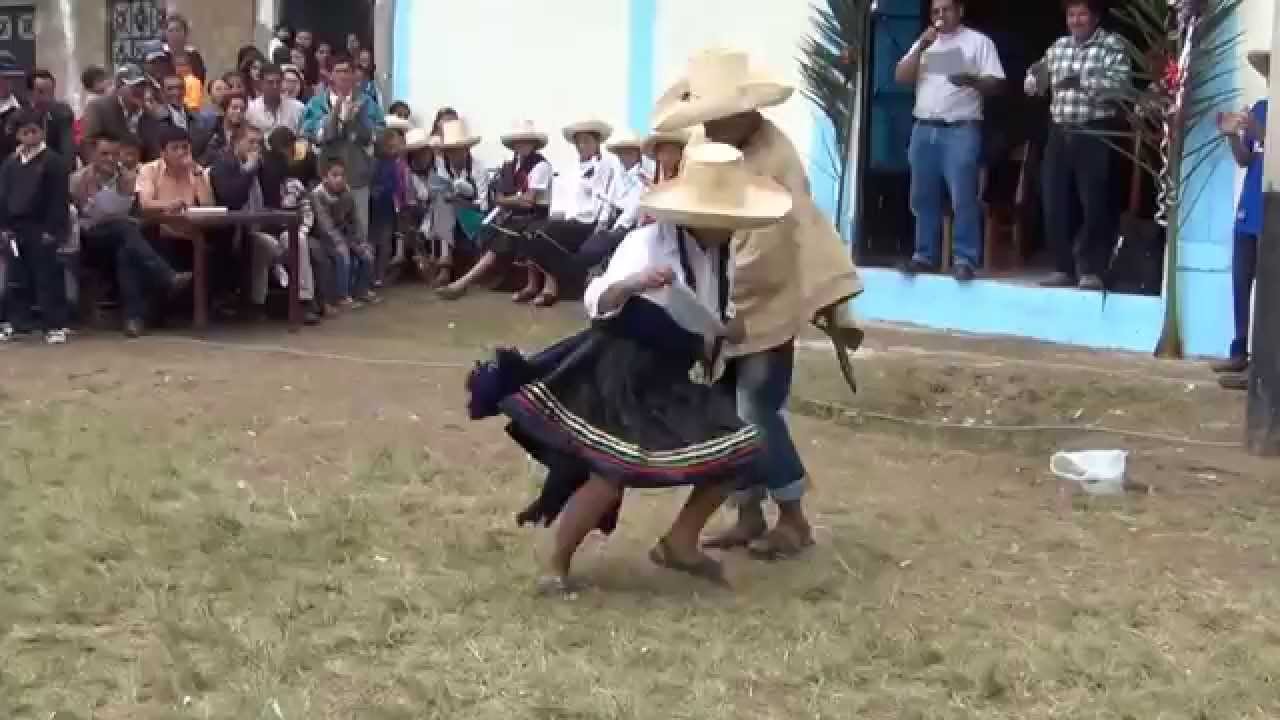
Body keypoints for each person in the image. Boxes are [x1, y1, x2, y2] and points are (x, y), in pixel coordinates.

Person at [466, 142, 788, 591]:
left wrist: (729, 329)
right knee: (612, 470)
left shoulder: (719, 257)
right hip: (619, 369)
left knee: (741, 446)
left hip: (671, 376)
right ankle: (556, 565)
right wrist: (634, 284)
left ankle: (680, 542)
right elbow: (598, 301)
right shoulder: (647, 241)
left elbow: (715, 316)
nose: (727, 226)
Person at [654, 47, 864, 559]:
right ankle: (747, 515)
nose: (710, 126)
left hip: (766, 306)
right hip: (719, 303)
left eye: (718, 116)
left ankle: (793, 519)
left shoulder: (777, 156)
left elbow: (771, 242)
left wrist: (721, 300)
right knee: (725, 411)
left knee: (755, 409)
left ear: (745, 110)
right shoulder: (703, 144)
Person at [894, 0, 1005, 280]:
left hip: (960, 129)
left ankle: (964, 259)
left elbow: (997, 84)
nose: (941, 16)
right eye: (935, 11)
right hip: (924, 127)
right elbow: (901, 77)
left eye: (946, 10)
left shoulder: (978, 43)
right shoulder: (924, 44)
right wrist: (920, 46)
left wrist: (971, 81)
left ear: (960, 11)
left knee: (962, 197)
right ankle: (924, 256)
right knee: (922, 197)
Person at [1025, 0, 1130, 290]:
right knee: (1054, 200)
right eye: (1071, 15)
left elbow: (1122, 86)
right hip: (1059, 131)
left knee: (1093, 202)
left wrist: (1083, 81)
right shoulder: (1058, 47)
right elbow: (1036, 79)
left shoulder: (1112, 46)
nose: (1076, 20)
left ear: (1095, 17)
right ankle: (1062, 268)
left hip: (1094, 130)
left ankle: (1091, 270)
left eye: (1082, 14)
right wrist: (1034, 80)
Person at [72, 134, 192, 337]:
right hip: (91, 239)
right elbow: (74, 217)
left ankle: (133, 320)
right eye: (104, 154)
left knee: (126, 250)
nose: (110, 159)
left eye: (115, 154)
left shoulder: (128, 178)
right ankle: (167, 276)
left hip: (124, 237)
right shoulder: (78, 180)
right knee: (124, 229)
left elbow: (139, 214)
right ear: (92, 154)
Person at [436, 119, 553, 300]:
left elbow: (529, 201)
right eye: (518, 141)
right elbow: (500, 198)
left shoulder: (541, 165)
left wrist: (507, 200)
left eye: (526, 141)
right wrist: (512, 200)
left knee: (520, 236)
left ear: (534, 144)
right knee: (496, 243)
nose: (521, 145)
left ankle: (462, 284)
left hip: (536, 216)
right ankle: (461, 284)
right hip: (515, 217)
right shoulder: (511, 165)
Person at [523, 129, 651, 284]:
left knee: (587, 252)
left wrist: (615, 228)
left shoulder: (643, 178)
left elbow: (633, 209)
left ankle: (571, 279)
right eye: (621, 152)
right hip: (607, 222)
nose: (624, 156)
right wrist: (603, 223)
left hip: (627, 225)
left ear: (638, 154)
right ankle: (567, 278)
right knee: (540, 237)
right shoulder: (617, 173)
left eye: (629, 152)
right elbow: (608, 201)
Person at [515, 118, 619, 306]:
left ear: (597, 143)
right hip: (568, 220)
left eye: (587, 140)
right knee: (530, 233)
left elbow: (607, 199)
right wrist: (554, 218)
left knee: (546, 234)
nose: (581, 145)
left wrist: (602, 224)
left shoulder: (607, 166)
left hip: (589, 221)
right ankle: (544, 284)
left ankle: (551, 286)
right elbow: (560, 199)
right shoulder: (569, 169)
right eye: (579, 141)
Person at [1212, 49, 1269, 391]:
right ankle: (1239, 351)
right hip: (1248, 210)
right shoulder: (1260, 107)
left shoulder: (1264, 117)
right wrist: (1232, 135)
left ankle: (1261, 365)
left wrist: (1260, 131)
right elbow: (1246, 160)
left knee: (1268, 292)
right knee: (1240, 283)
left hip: (1272, 214)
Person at [0, 109, 72, 345]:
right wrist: (4, 226)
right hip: (15, 227)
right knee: (16, 275)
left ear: (42, 131)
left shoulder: (53, 162)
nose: (30, 136)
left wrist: (53, 231)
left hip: (42, 226)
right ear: (17, 135)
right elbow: (3, 196)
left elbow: (58, 199)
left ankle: (56, 324)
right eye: (25, 132)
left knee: (47, 276)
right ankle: (18, 323)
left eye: (35, 131)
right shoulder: (11, 163)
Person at [301, 55, 384, 246]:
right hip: (327, 181)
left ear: (354, 75)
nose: (343, 76)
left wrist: (358, 123)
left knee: (360, 235)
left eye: (347, 71)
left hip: (357, 178)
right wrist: (335, 113)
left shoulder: (367, 103)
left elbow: (379, 135)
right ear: (330, 75)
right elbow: (311, 133)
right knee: (330, 237)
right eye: (338, 71)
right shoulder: (316, 103)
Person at [423, 117, 486, 287]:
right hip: (451, 214)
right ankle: (445, 263)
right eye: (450, 151)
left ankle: (445, 265)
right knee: (442, 204)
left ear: (466, 150)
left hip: (474, 216)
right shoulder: (445, 166)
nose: (453, 155)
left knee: (445, 205)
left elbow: (483, 206)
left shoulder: (478, 169)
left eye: (457, 150)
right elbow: (442, 191)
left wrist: (458, 201)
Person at [311, 158, 378, 309]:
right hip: (323, 237)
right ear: (325, 177)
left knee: (367, 253)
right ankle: (342, 297)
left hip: (344, 233)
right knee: (343, 254)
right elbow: (325, 226)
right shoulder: (317, 195)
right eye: (334, 175)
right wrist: (341, 243)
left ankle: (361, 290)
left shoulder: (346, 192)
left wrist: (360, 240)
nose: (339, 179)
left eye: (342, 175)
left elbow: (355, 219)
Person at [81, 65, 150, 161]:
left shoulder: (148, 112)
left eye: (143, 85)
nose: (140, 90)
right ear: (119, 87)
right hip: (109, 169)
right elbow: (88, 145)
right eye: (134, 86)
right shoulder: (99, 107)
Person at [370, 126, 409, 286]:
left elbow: (398, 187)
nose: (395, 149)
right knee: (374, 242)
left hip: (388, 208)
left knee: (385, 242)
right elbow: (374, 185)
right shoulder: (376, 163)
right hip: (376, 208)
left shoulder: (395, 164)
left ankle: (379, 275)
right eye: (392, 146)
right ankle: (372, 275)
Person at [140, 73, 209, 162]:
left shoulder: (197, 117)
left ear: (185, 90)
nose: (176, 92)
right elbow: (154, 151)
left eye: (180, 88)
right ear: (162, 92)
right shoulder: (150, 119)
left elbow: (204, 147)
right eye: (170, 89)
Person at [26, 69, 76, 159]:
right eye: (41, 92)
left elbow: (68, 156)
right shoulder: (20, 116)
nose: (47, 98)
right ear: (30, 93)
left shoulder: (62, 114)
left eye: (51, 91)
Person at [248, 64, 305, 135]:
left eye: (278, 82)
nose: (275, 86)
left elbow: (303, 138)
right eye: (270, 82)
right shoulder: (251, 109)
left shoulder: (297, 108)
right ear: (261, 83)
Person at [200, 93, 247, 167]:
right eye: (234, 108)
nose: (238, 112)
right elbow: (202, 157)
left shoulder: (246, 132)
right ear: (225, 109)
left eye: (242, 109)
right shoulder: (211, 128)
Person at [162, 13, 207, 84]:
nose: (174, 34)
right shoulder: (160, 56)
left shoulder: (194, 55)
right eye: (170, 30)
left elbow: (200, 79)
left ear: (185, 33)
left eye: (178, 30)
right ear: (165, 34)